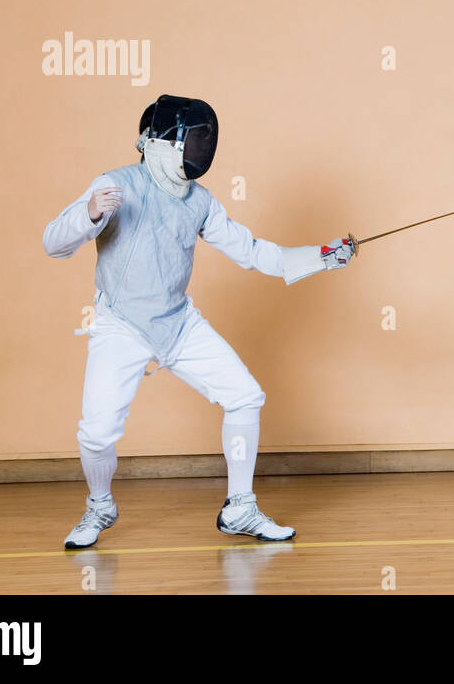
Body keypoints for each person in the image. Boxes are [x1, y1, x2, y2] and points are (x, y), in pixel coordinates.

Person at [44, 95, 355, 548]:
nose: (200, 151)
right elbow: (54, 243)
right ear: (161, 142)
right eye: (195, 140)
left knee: (245, 397)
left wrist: (322, 257)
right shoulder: (116, 184)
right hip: (121, 324)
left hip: (178, 321)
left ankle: (240, 508)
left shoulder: (200, 201)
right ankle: (99, 506)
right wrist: (89, 213)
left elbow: (252, 251)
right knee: (96, 432)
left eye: (205, 142)